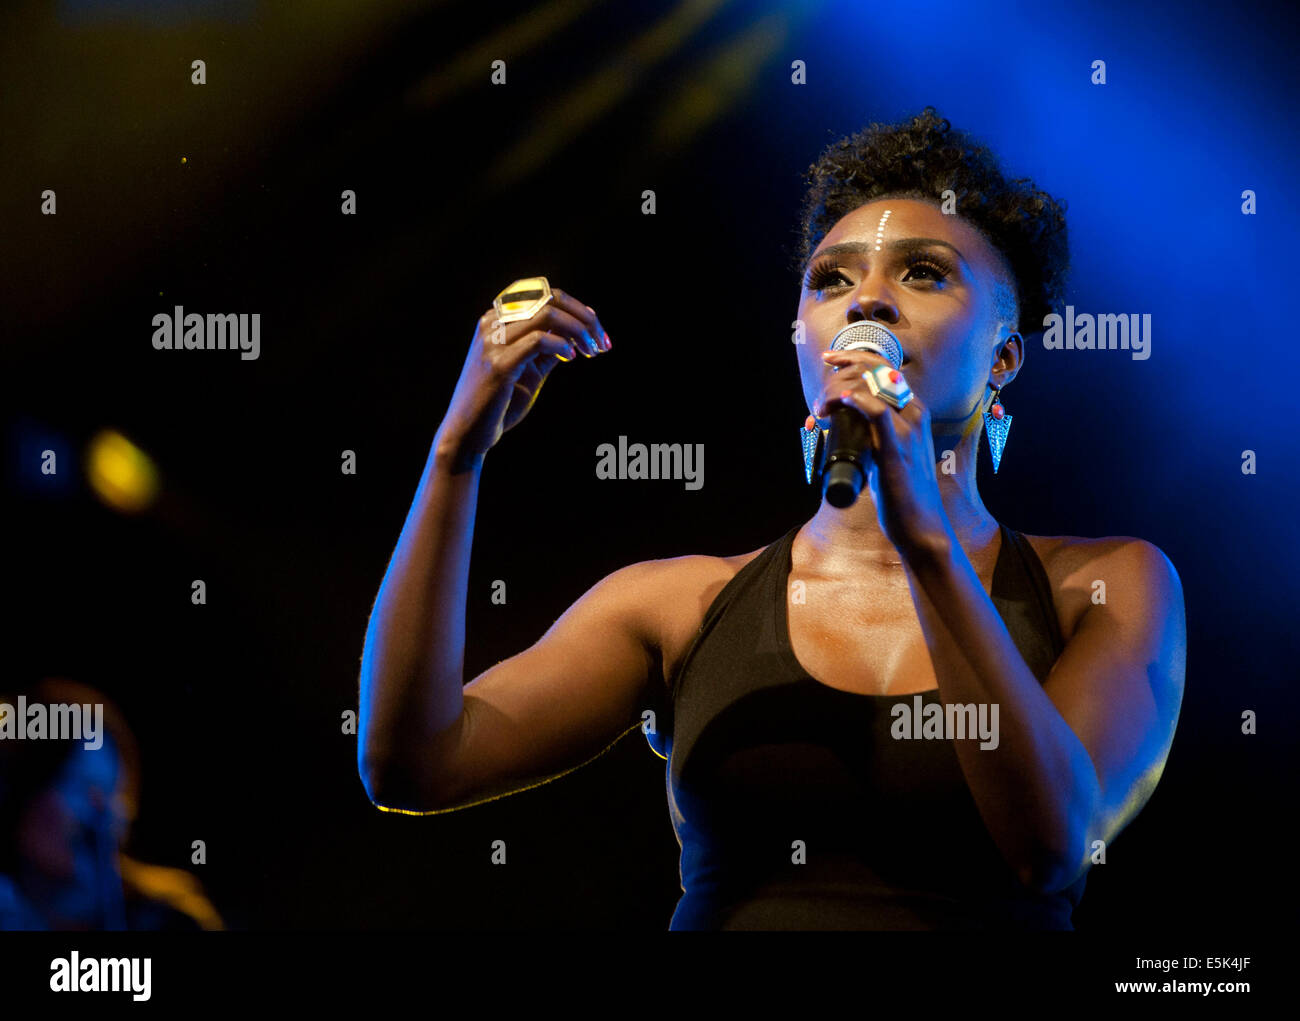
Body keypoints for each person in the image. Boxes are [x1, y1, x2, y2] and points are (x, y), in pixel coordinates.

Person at [357, 107, 1186, 929]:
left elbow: (1049, 847)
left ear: (1004, 354)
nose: (869, 301)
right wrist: (455, 457)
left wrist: (923, 536)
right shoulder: (677, 606)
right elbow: (413, 765)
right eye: (832, 280)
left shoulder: (1107, 585)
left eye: (924, 272)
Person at [0, 678, 223, 930]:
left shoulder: (165, 917)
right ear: (17, 793)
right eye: (80, 786)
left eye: (112, 792)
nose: (102, 810)